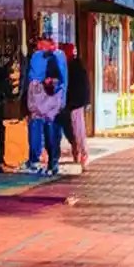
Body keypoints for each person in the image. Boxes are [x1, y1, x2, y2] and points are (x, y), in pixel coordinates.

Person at [19, 38, 68, 176]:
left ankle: (35, 160)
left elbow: (31, 78)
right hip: (56, 98)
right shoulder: (60, 56)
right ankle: (52, 163)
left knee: (36, 126)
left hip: (40, 96)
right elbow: (64, 79)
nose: (38, 45)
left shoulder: (36, 57)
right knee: (52, 129)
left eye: (40, 43)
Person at [57, 43, 91, 171]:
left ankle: (82, 153)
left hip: (74, 104)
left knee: (77, 129)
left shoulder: (73, 66)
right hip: (71, 104)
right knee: (73, 129)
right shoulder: (72, 66)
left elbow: (81, 86)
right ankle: (78, 151)